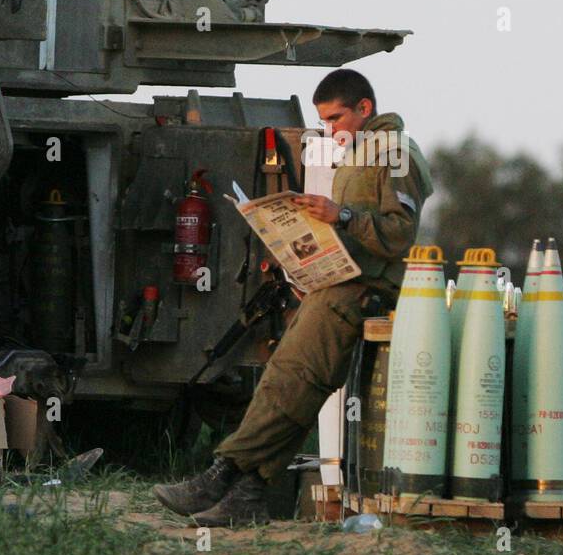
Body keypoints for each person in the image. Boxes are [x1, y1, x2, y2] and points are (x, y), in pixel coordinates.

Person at [153, 68, 434, 526]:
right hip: (339, 283)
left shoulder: (396, 153)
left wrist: (339, 214)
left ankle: (226, 477)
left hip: (365, 292)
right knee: (287, 381)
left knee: (294, 381)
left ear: (365, 108)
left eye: (337, 118)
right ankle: (243, 490)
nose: (331, 129)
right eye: (324, 121)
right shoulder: (364, 151)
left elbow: (399, 233)